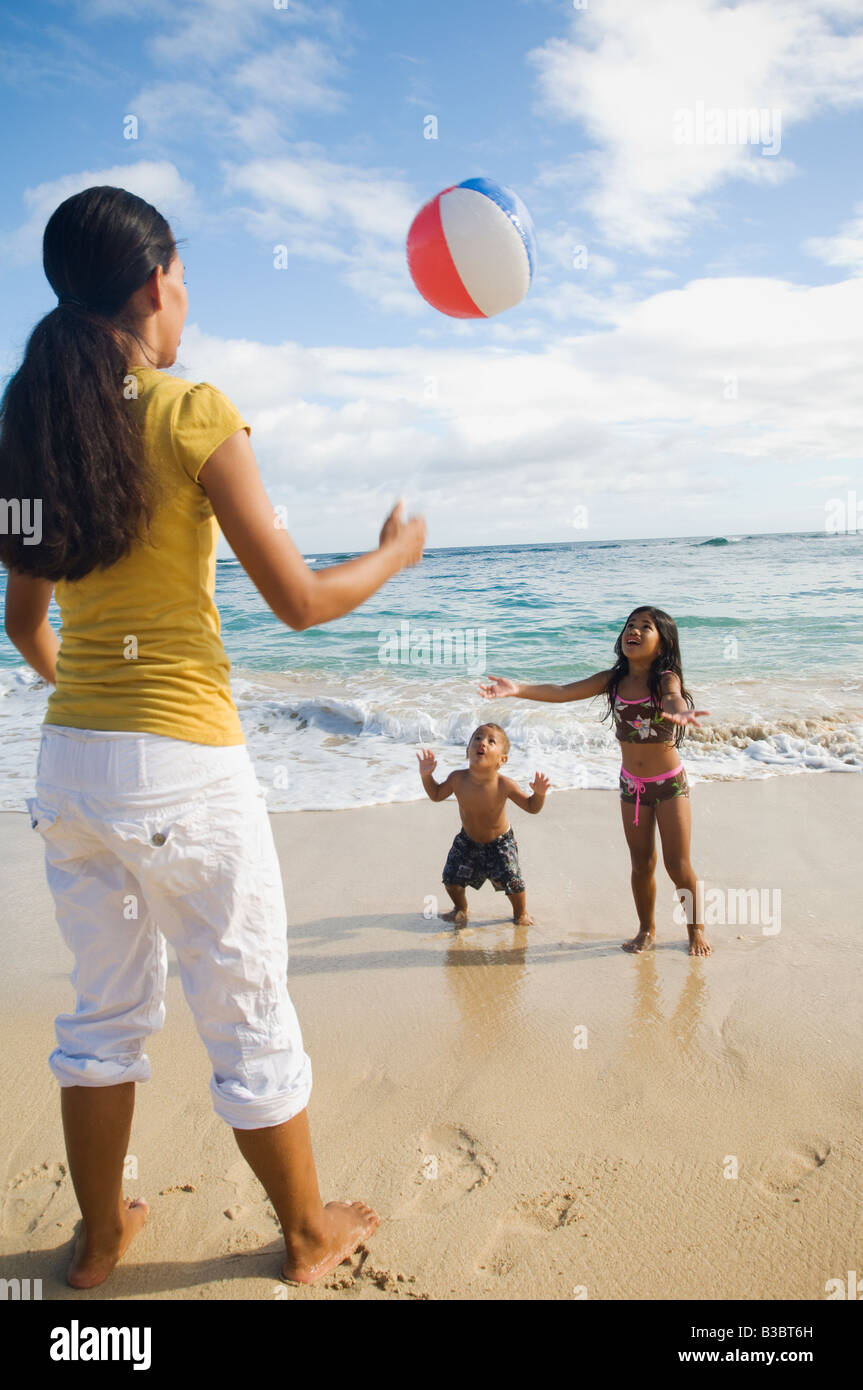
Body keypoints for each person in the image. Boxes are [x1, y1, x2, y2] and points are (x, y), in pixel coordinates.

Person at [0, 185, 426, 1288]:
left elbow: (22, 621)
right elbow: (297, 598)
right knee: (243, 1001)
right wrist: (396, 555)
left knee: (100, 1014)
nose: (183, 296)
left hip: (67, 762)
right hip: (184, 764)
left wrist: (96, 714)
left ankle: (99, 1240)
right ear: (154, 284)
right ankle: (305, 1232)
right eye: (181, 275)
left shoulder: (30, 419)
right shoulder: (192, 411)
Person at [478, 607, 712, 956]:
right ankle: (646, 929)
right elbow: (562, 691)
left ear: (663, 643)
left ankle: (696, 930)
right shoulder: (613, 680)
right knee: (641, 863)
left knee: (677, 865)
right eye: (630, 625)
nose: (633, 630)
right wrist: (518, 689)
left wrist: (678, 709)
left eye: (645, 627)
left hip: (669, 784)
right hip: (632, 786)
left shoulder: (664, 679)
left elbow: (674, 695)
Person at [417, 722, 549, 926]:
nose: (482, 743)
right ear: (467, 750)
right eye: (477, 738)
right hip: (467, 841)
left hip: (500, 843)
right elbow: (435, 794)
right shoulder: (457, 779)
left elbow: (532, 807)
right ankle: (460, 908)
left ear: (502, 759)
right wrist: (427, 776)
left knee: (514, 883)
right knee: (451, 879)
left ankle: (520, 913)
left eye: (491, 741)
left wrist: (539, 794)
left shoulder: (504, 784)